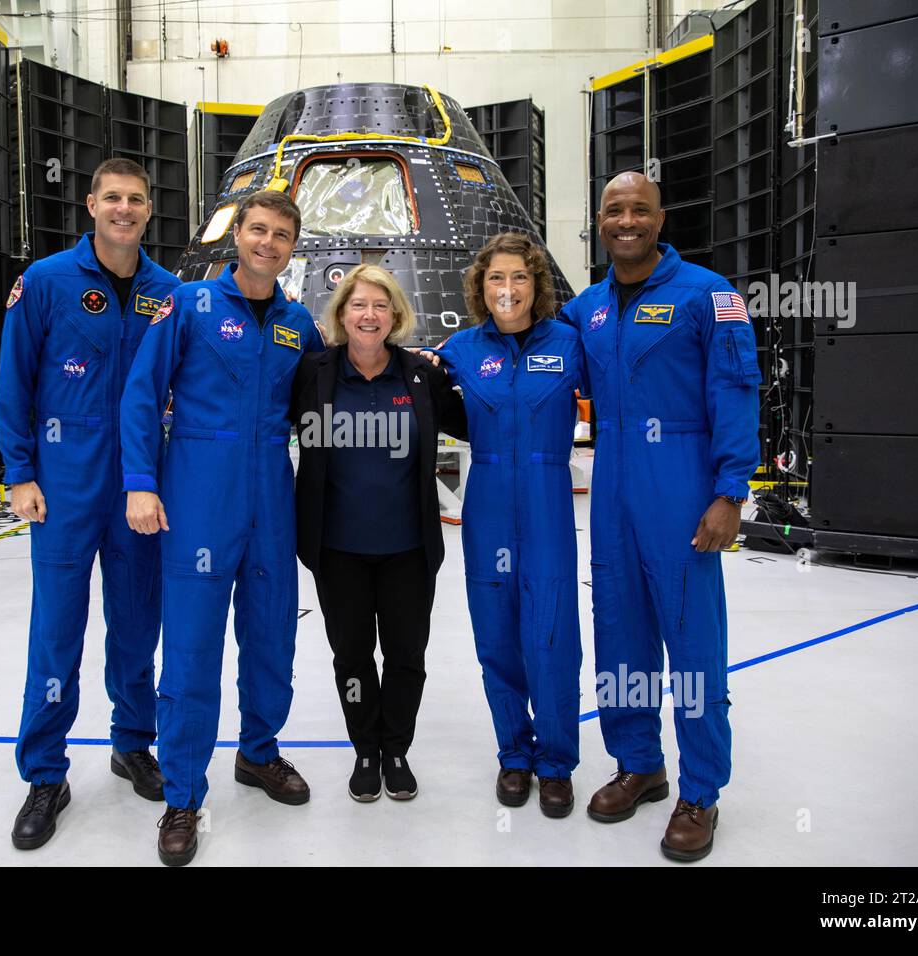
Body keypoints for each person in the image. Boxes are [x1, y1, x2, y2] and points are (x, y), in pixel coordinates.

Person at [558, 171, 760, 862]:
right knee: (620, 630)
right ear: (599, 220)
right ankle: (639, 762)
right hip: (612, 476)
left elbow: (736, 387)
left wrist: (730, 491)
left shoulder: (711, 295)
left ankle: (700, 790)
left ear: (659, 218)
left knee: (692, 642)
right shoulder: (586, 309)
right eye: (613, 209)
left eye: (638, 209)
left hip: (683, 476)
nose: (626, 221)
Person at [121, 189, 324, 867]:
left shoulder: (300, 325)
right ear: (236, 235)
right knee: (192, 649)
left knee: (272, 638)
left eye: (282, 234)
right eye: (258, 230)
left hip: (272, 496)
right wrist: (142, 483)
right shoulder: (191, 305)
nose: (269, 243)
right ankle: (182, 795)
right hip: (199, 493)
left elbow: (329, 405)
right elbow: (142, 394)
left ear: (294, 246)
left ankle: (258, 754)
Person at [0, 158, 180, 850]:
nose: (123, 210)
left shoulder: (169, 292)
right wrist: (19, 473)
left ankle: (132, 743)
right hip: (65, 487)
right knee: (57, 632)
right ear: (90, 204)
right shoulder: (44, 283)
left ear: (148, 209)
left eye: (135, 199)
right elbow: (13, 381)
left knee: (136, 626)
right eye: (112, 198)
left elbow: (177, 391)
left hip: (138, 490)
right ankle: (45, 772)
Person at [290, 265, 468, 803]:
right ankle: (365, 749)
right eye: (358, 305)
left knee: (407, 655)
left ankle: (396, 749)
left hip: (408, 550)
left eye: (380, 305)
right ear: (341, 314)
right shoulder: (313, 373)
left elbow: (474, 416)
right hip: (337, 548)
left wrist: (460, 359)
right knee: (352, 656)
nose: (369, 315)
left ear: (395, 314)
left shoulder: (421, 375)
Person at [428, 232, 585, 819]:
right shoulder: (461, 351)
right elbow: (417, 400)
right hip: (487, 502)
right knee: (495, 634)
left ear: (536, 284)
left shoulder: (570, 345)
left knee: (551, 633)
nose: (508, 289)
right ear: (481, 285)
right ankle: (513, 754)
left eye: (520, 277)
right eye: (497, 277)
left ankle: (556, 763)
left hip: (547, 501)